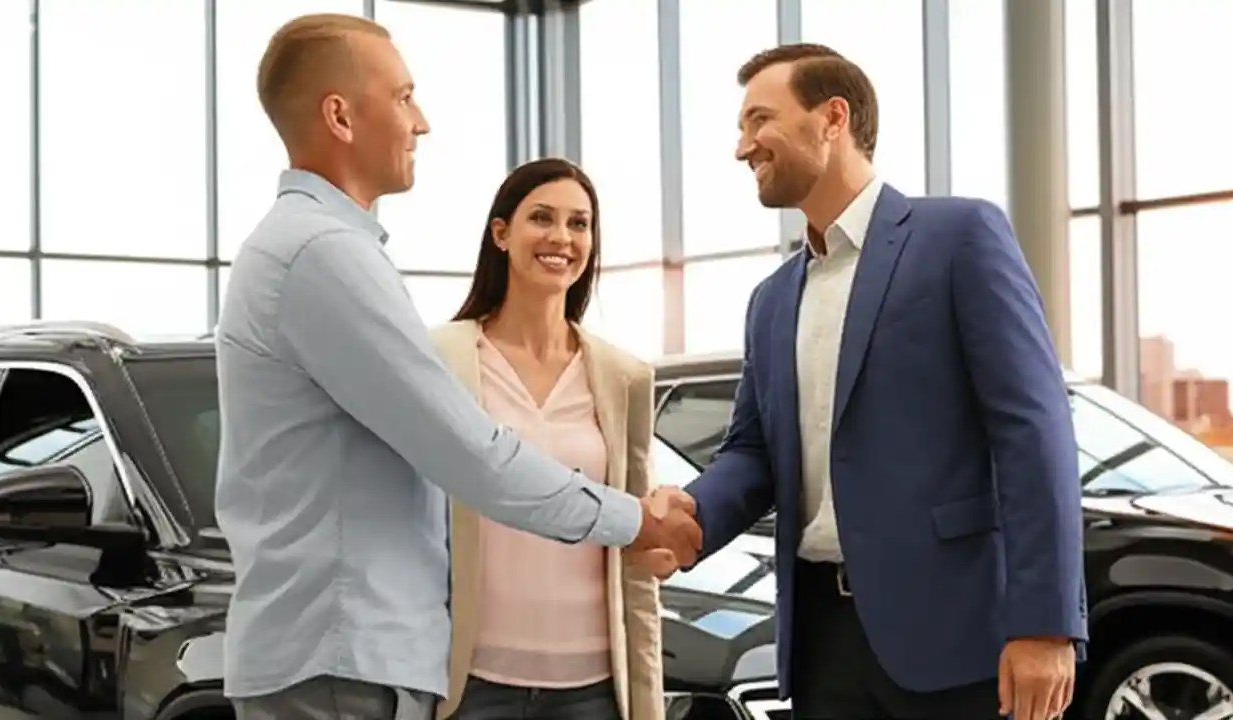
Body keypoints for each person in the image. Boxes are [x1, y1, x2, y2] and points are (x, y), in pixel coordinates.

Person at [213, 14, 699, 720]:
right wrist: (637, 521)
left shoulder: (319, 248)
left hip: (354, 660)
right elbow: (470, 454)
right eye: (404, 96)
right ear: (341, 116)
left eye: (580, 223)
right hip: (341, 664)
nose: (423, 122)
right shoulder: (322, 254)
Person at [664, 43, 1087, 720]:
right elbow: (754, 453)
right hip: (822, 646)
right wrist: (692, 516)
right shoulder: (771, 299)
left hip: (956, 640)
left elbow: (1033, 431)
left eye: (759, 120)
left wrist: (1045, 624)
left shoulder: (959, 238)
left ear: (832, 118)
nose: (743, 146)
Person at [428, 158, 665, 720]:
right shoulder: (443, 359)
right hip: (470, 683)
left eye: (579, 224)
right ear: (501, 233)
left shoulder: (622, 375)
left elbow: (636, 555)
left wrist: (647, 700)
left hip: (593, 690)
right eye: (542, 218)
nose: (562, 238)